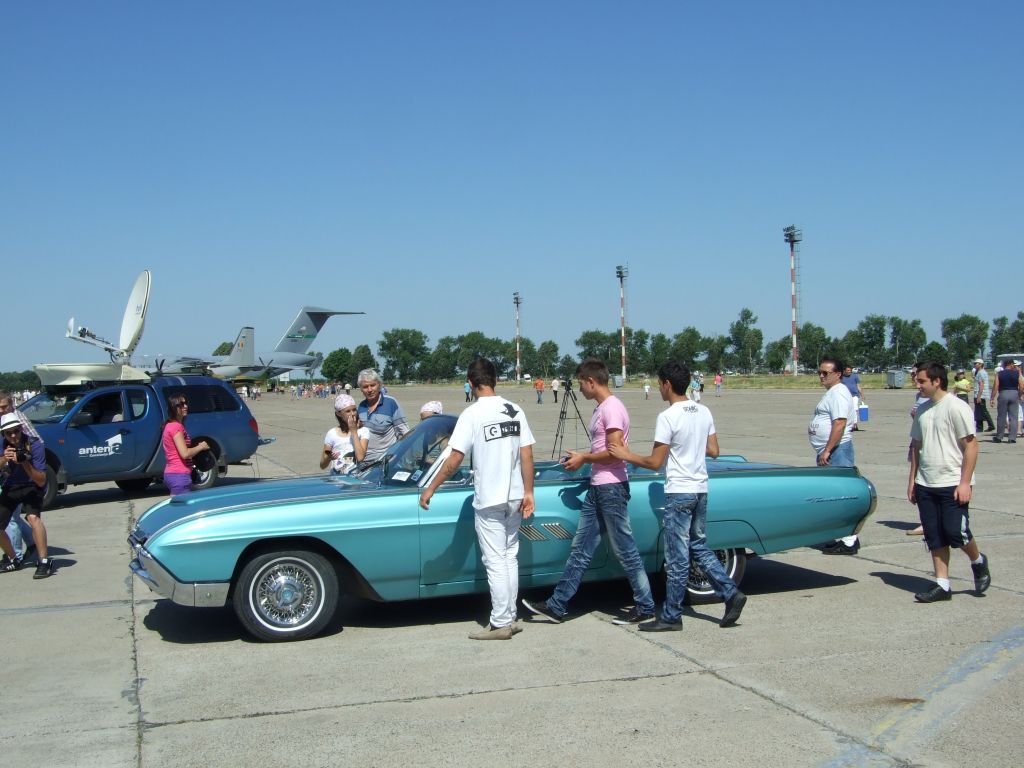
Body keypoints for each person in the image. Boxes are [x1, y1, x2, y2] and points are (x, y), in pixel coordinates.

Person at [608, 362, 747, 631]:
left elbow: (655, 462)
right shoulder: (704, 411)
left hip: (680, 490)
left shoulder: (668, 416)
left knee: (676, 556)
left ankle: (671, 615)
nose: (659, 388)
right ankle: (730, 592)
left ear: (667, 384)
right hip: (700, 488)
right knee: (699, 545)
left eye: (660, 383)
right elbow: (714, 450)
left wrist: (626, 455)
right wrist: (691, 447)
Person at [522, 359, 656, 625]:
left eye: (582, 383)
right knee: (581, 549)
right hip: (599, 487)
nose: (580, 388)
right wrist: (583, 460)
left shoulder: (612, 409)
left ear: (591, 381)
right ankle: (557, 605)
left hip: (611, 488)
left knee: (625, 550)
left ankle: (646, 606)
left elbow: (615, 453)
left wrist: (584, 458)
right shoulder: (602, 409)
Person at [420, 358, 535, 640]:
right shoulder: (514, 410)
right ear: (494, 380)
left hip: (490, 498)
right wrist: (529, 491)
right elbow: (527, 454)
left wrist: (431, 487)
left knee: (495, 560)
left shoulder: (472, 414)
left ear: (471, 384)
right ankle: (510, 616)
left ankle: (499, 623)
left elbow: (454, 459)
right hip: (515, 496)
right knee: (510, 557)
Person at [908, 362, 990, 602]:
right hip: (926, 482)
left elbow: (971, 446)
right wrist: (912, 480)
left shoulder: (956, 407)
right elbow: (916, 446)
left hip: (952, 482)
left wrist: (965, 482)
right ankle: (942, 584)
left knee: (956, 533)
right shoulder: (922, 409)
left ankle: (978, 560)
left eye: (921, 381)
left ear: (937, 381)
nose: (917, 384)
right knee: (934, 535)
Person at [807, 356, 859, 554]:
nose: (821, 376)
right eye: (819, 372)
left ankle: (850, 541)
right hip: (830, 450)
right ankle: (843, 536)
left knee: (842, 495)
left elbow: (840, 423)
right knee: (832, 495)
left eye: (825, 373)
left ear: (838, 374)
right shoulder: (832, 392)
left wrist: (828, 449)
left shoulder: (838, 393)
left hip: (837, 451)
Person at [0, 413, 53, 577]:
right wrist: (4, 460)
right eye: (9, 433)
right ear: (3, 434)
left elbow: (41, 480)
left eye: (16, 431)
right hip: (11, 485)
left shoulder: (34, 444)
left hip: (32, 485)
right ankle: (13, 559)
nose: (13, 436)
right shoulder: (2, 444)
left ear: (21, 429)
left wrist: (24, 463)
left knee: (32, 518)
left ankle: (44, 560)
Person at [0, 391, 37, 557]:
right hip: (6, 474)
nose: (1, 410)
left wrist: (23, 457)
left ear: (11, 405)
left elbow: (36, 441)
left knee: (12, 518)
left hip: (21, 477)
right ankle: (32, 543)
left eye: (4, 406)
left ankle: (15, 556)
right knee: (12, 517)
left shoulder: (18, 418)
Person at [356, 369, 410, 463]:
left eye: (372, 385)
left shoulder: (391, 403)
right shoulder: (361, 407)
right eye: (365, 387)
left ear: (379, 385)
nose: (369, 390)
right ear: (361, 389)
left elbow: (404, 432)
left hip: (385, 461)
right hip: (364, 462)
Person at [161, 394, 210, 497]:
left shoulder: (169, 425)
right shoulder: (176, 427)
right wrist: (201, 447)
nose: (185, 406)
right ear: (174, 407)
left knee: (179, 509)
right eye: (181, 404)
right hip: (179, 475)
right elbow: (185, 454)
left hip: (172, 473)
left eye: (186, 403)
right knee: (181, 510)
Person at [320, 394, 369, 475]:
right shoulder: (332, 433)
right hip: (335, 480)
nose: (352, 413)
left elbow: (360, 457)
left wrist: (354, 432)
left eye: (354, 410)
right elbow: (322, 465)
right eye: (348, 411)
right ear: (339, 414)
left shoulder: (363, 431)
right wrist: (329, 457)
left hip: (354, 480)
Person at [990, 359, 1022, 443]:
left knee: (1001, 417)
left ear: (1004, 365)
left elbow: (996, 386)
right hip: (1014, 393)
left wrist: (992, 398)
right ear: (1011, 364)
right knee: (1014, 417)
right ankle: (1012, 438)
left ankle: (999, 437)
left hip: (1003, 393)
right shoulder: (1017, 373)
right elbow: (1021, 385)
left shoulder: (999, 374)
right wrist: (1019, 394)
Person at [972, 359, 995, 432]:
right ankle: (979, 427)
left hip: (980, 395)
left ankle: (991, 425)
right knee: (978, 411)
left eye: (977, 363)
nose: (975, 364)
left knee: (983, 410)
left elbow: (981, 385)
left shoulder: (981, 372)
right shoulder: (979, 372)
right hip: (978, 393)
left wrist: (979, 396)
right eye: (975, 363)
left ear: (981, 364)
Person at [842, 365, 864, 430]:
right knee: (847, 410)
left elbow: (858, 386)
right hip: (845, 396)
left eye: (850, 371)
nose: (849, 372)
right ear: (844, 371)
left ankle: (854, 424)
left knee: (854, 409)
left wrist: (862, 394)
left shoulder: (855, 376)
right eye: (848, 370)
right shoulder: (841, 378)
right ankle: (849, 424)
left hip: (854, 395)